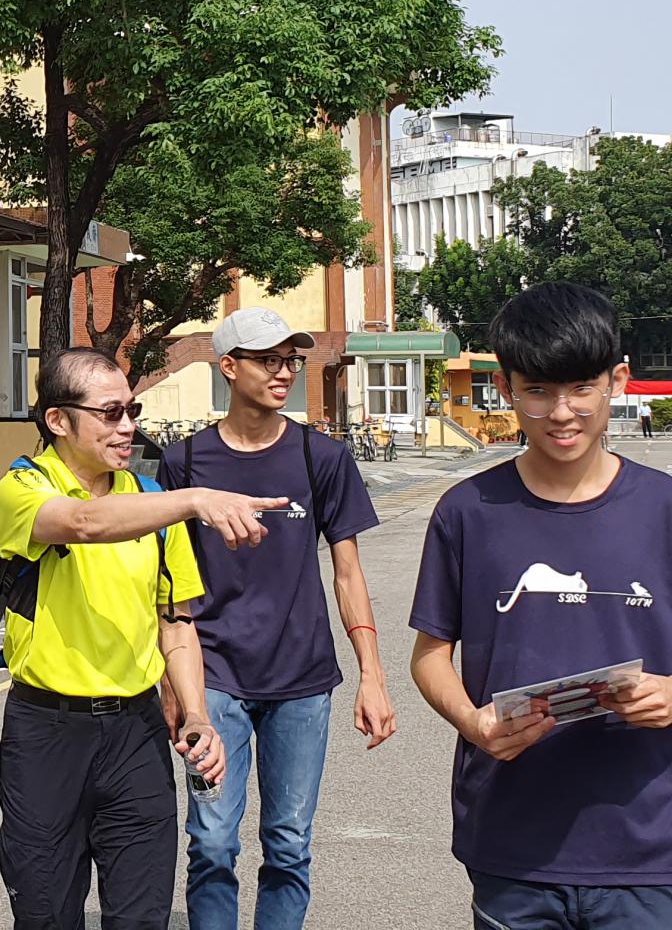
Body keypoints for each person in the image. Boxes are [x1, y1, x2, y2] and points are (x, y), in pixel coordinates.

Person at [409, 283, 672, 929]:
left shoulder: (668, 509)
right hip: (511, 836)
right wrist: (474, 724)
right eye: (537, 390)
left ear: (616, 380)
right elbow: (430, 655)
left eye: (581, 388)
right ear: (507, 388)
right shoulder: (467, 512)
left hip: (644, 841)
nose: (561, 412)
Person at [0, 348, 278, 930]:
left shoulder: (150, 497)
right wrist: (195, 499)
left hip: (135, 733)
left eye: (132, 410)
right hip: (47, 732)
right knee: (45, 912)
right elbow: (82, 524)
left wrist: (197, 715)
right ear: (58, 421)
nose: (128, 426)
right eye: (110, 413)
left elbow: (175, 624)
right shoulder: (23, 486)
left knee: (141, 914)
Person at [164, 309, 396, 930]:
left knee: (288, 842)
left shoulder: (321, 456)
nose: (284, 372)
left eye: (291, 360)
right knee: (211, 842)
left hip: (302, 680)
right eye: (268, 359)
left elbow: (348, 572)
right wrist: (171, 684)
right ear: (229, 366)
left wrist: (371, 673)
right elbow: (164, 586)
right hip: (213, 678)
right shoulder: (184, 464)